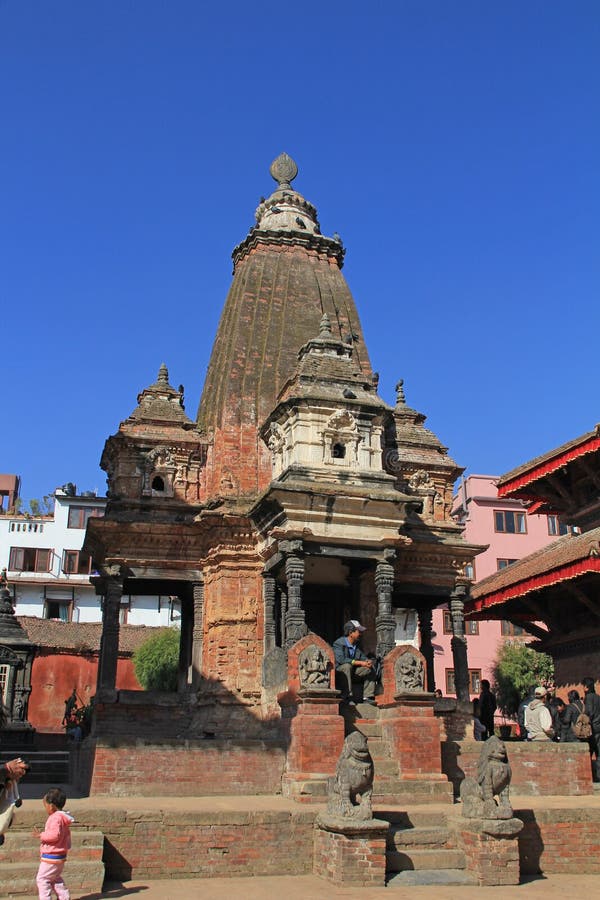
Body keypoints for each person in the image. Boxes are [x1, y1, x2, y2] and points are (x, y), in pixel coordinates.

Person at [33, 787, 74, 900]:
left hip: (51, 856)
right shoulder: (63, 817)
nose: (45, 808)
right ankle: (64, 897)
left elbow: (54, 835)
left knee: (42, 879)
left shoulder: (55, 818)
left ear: (51, 806)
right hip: (60, 855)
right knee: (55, 878)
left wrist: (41, 835)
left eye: (45, 805)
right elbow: (66, 836)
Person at [333, 620, 377, 706]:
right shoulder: (339, 643)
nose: (360, 634)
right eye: (358, 631)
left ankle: (367, 697)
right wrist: (360, 662)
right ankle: (346, 697)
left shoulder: (356, 646)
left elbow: (363, 658)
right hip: (341, 673)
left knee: (369, 668)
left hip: (352, 673)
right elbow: (341, 659)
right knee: (347, 666)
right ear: (350, 633)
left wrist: (367, 661)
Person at [582, 676, 600, 782]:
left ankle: (593, 776)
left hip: (592, 728)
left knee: (589, 752)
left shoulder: (588, 697)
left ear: (586, 687)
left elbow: (589, 712)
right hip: (599, 727)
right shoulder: (598, 697)